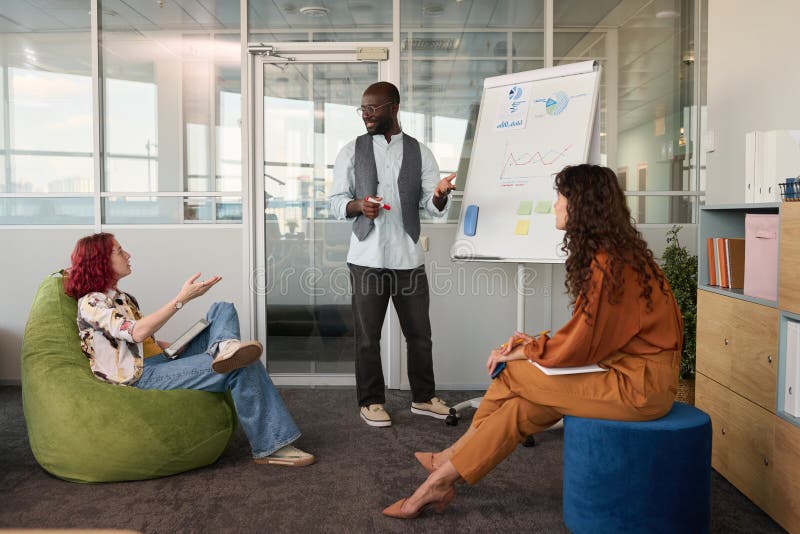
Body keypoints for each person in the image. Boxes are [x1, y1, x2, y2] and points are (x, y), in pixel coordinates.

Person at [381, 164, 683, 518]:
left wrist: (525, 351)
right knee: (522, 408)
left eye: (560, 197)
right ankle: (442, 481)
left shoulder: (609, 264)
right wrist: (533, 344)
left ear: (581, 205)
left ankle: (448, 462)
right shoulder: (616, 255)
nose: (555, 205)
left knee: (510, 374)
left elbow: (582, 344)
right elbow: (592, 335)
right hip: (627, 374)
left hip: (638, 388)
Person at [64, 233, 315, 467]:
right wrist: (182, 299)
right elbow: (137, 332)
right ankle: (271, 446)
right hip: (140, 375)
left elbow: (145, 342)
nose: (128, 255)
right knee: (242, 364)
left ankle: (226, 348)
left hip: (161, 358)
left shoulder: (123, 298)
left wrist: (179, 345)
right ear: (100, 261)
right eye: (120, 251)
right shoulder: (92, 302)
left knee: (221, 308)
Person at [329, 81, 458, 428]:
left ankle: (423, 398)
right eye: (363, 109)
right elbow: (335, 201)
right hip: (366, 259)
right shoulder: (350, 151)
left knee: (420, 334)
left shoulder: (420, 152)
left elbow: (430, 204)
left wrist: (442, 194)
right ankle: (371, 401)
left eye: (373, 108)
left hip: (408, 259)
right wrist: (357, 206)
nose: (366, 115)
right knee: (367, 336)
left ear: (394, 108)